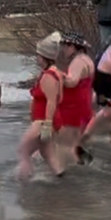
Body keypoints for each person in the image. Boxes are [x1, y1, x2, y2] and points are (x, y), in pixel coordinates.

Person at [17, 33, 66, 179]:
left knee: (23, 150)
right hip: (46, 119)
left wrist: (47, 124)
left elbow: (52, 101)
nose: (36, 58)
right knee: (48, 154)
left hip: (44, 120)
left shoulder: (49, 77)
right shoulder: (54, 73)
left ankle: (22, 181)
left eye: (38, 55)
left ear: (45, 57)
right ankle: (61, 179)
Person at [51, 33, 94, 167]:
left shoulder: (78, 62)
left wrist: (58, 75)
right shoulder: (87, 59)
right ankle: (80, 164)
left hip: (73, 106)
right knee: (73, 143)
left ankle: (68, 176)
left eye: (65, 45)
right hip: (84, 103)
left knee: (65, 145)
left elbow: (72, 82)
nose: (63, 49)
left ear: (74, 47)